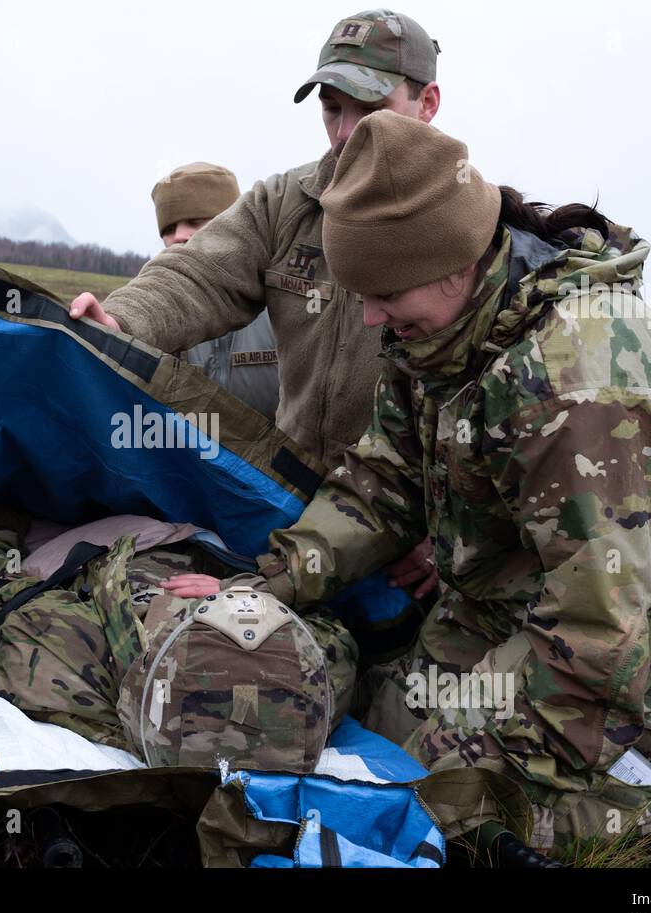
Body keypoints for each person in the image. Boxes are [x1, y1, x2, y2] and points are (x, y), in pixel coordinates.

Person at [163, 111, 651, 855]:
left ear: (448, 265)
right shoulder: (433, 332)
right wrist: (272, 582)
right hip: (507, 593)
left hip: (638, 630)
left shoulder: (580, 377)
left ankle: (643, 763)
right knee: (377, 736)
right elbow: (381, 480)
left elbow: (601, 629)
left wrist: (485, 760)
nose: (372, 315)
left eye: (383, 294)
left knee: (448, 804)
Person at [71, 8, 442, 601]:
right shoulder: (285, 203)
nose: (346, 133)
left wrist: (454, 525)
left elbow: (493, 401)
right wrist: (120, 321)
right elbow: (198, 274)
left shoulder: (465, 226)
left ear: (427, 105)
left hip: (406, 535)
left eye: (369, 109)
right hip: (287, 507)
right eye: (331, 108)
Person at [0, 509, 356, 770]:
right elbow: (329, 626)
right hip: (154, 543)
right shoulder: (318, 671)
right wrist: (246, 592)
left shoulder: (62, 660)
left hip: (78, 555)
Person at [151, 162, 279, 420]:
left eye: (194, 221)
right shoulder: (150, 313)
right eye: (168, 229)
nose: (178, 236)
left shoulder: (282, 305)